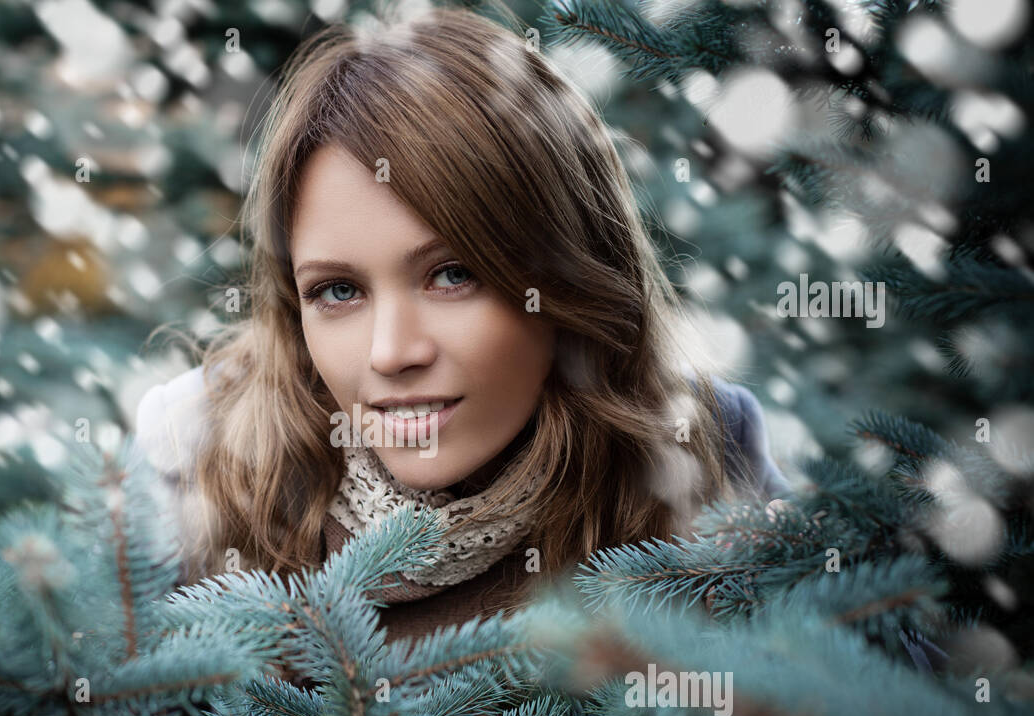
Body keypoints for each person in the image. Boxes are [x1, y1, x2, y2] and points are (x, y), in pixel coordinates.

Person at [133, 3, 790, 648]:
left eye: (452, 275)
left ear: (566, 277)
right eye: (338, 291)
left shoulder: (700, 453)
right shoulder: (196, 462)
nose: (391, 354)